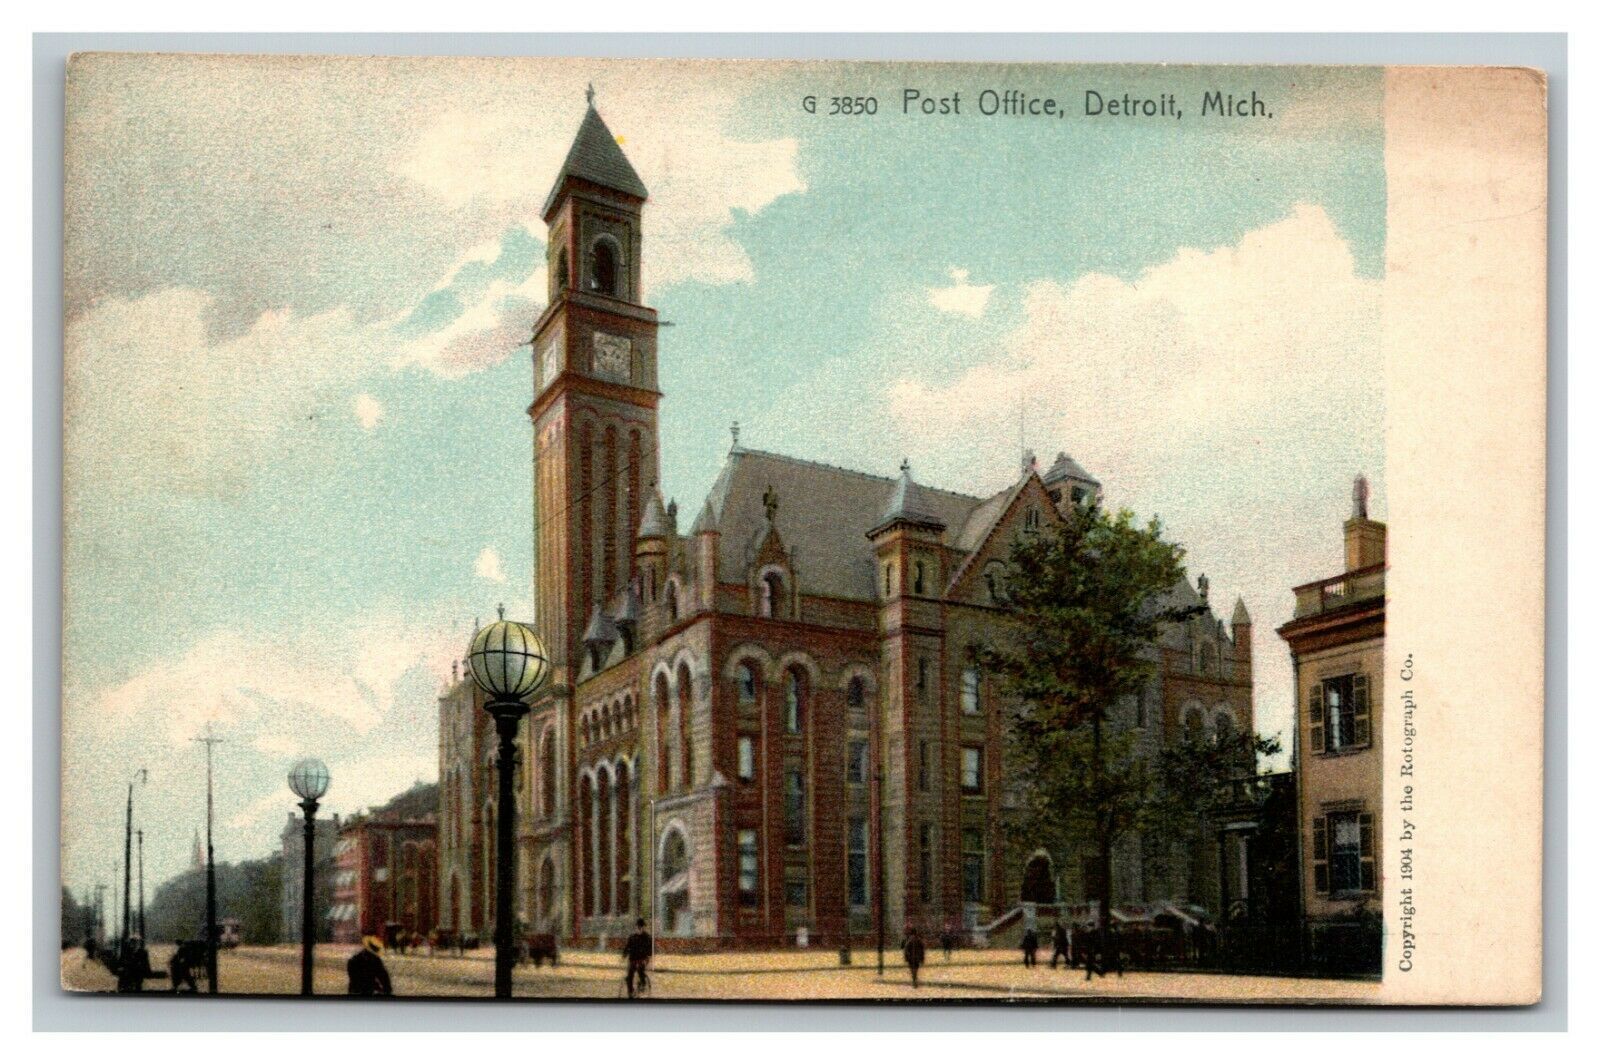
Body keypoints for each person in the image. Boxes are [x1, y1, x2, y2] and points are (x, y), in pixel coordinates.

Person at [621, 919, 653, 998]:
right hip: (633, 959)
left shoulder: (647, 937)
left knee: (640, 970)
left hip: (642, 959)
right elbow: (627, 947)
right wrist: (624, 955)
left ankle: (642, 984)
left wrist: (648, 957)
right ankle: (630, 991)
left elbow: (650, 949)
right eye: (638, 927)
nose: (639, 929)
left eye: (641, 927)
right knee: (629, 976)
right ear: (636, 927)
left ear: (643, 927)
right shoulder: (632, 937)